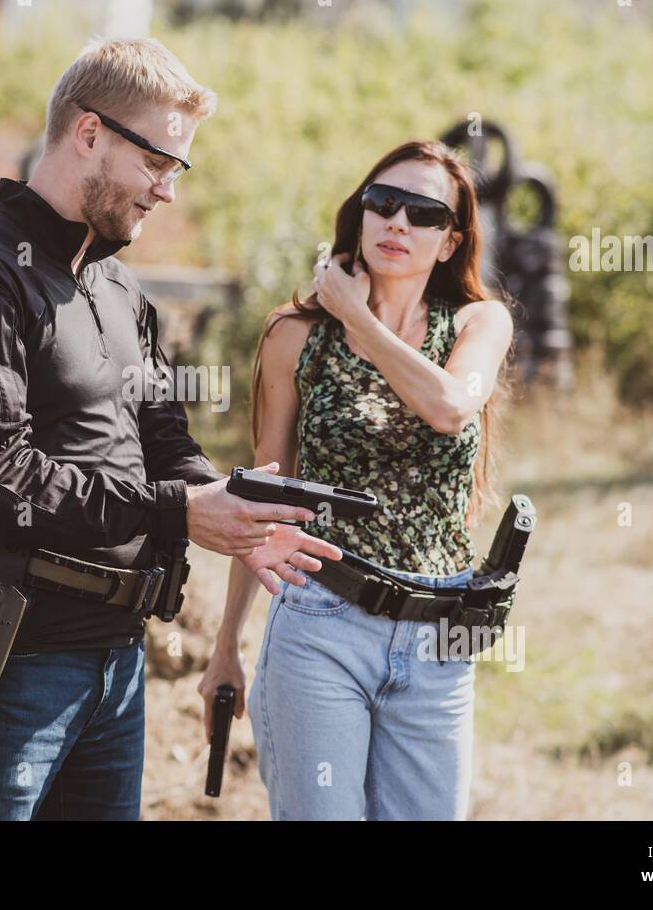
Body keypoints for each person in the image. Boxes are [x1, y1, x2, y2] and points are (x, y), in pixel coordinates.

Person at [0, 36, 343, 821]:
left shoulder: (122, 290)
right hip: (6, 666)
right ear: (90, 132)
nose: (167, 192)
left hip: (117, 658)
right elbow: (0, 479)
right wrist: (177, 510)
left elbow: (165, 439)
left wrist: (233, 502)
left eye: (178, 169)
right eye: (159, 164)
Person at [199, 140, 514, 820]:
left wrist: (356, 316)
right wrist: (227, 645)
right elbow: (263, 492)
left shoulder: (479, 323)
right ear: (360, 214)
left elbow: (450, 406)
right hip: (319, 622)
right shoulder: (294, 333)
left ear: (451, 240)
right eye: (383, 202)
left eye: (424, 213)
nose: (398, 222)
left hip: (439, 635)